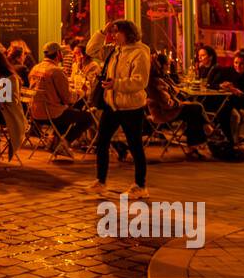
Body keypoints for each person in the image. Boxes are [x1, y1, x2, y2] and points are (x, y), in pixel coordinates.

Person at [90, 19, 152, 198]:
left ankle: (140, 186)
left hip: (131, 106)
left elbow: (140, 81)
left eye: (117, 32)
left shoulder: (139, 53)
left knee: (135, 145)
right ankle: (100, 181)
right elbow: (91, 50)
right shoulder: (114, 51)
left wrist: (115, 84)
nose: (114, 35)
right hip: (112, 104)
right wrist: (102, 31)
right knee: (102, 141)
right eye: (113, 32)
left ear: (128, 34)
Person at [28, 40, 95, 156]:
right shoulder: (56, 71)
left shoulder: (35, 68)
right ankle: (64, 142)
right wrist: (81, 92)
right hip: (51, 113)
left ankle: (54, 141)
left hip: (34, 113)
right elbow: (68, 98)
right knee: (88, 118)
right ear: (58, 54)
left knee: (69, 113)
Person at [146, 56, 210, 160]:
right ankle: (203, 134)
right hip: (163, 112)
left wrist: (181, 98)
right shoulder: (156, 81)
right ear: (160, 66)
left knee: (194, 109)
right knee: (195, 109)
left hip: (169, 109)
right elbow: (167, 103)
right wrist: (181, 103)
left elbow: (174, 90)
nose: (168, 67)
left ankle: (195, 145)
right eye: (167, 65)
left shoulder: (162, 77)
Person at [218, 49, 244, 148]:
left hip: (241, 105)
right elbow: (214, 85)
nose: (238, 66)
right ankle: (234, 142)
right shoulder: (227, 73)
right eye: (236, 62)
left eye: (241, 64)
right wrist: (221, 85)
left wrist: (238, 93)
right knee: (235, 116)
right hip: (227, 105)